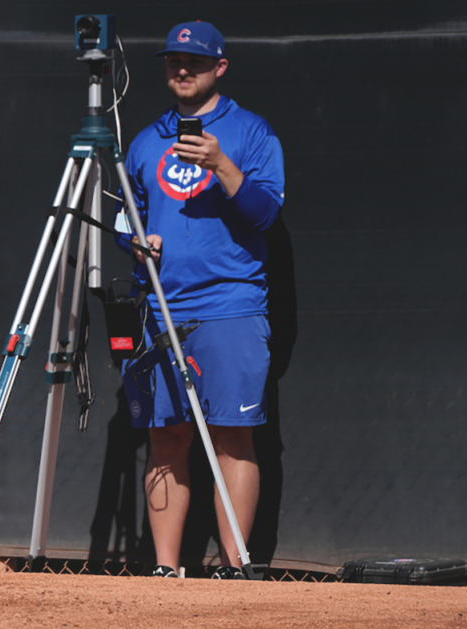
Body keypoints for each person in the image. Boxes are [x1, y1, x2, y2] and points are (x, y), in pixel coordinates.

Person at [118, 21, 284, 579]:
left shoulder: (251, 132)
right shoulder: (146, 140)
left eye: (194, 61)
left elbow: (264, 215)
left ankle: (235, 568)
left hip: (231, 305)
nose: (182, 69)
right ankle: (167, 572)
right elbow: (127, 219)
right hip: (164, 306)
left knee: (233, 437)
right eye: (173, 61)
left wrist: (222, 166)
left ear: (220, 68)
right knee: (166, 438)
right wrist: (135, 242)